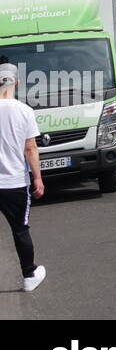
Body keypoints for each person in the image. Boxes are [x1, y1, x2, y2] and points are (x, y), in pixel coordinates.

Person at [0, 63, 46, 292]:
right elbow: (30, 148)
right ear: (16, 83)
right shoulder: (24, 110)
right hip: (14, 183)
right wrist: (37, 178)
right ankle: (29, 275)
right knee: (20, 229)